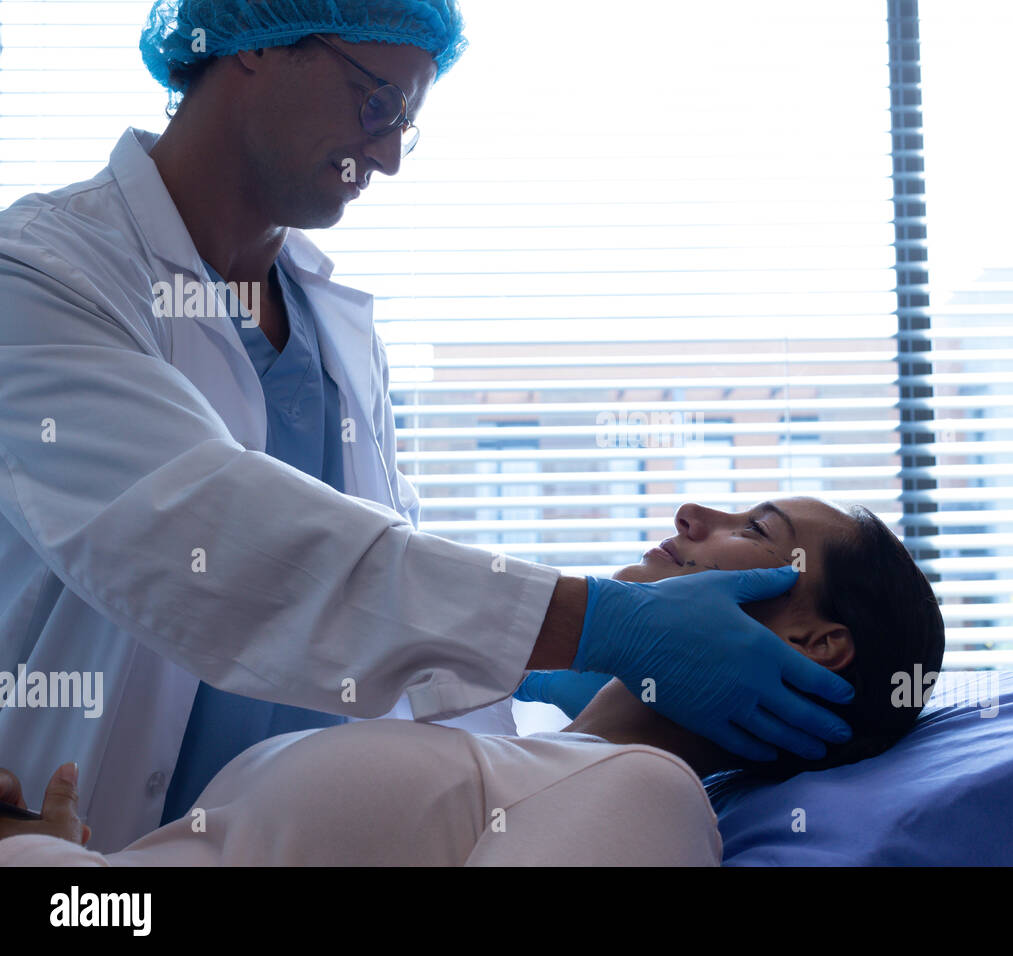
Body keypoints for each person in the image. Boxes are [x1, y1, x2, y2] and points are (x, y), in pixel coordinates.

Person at [0, 1, 854, 854]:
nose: (388, 156)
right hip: (70, 822)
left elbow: (378, 596)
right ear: (257, 49)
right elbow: (210, 534)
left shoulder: (336, 332)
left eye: (406, 123)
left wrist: (553, 679)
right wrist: (601, 621)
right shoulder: (42, 273)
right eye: (377, 103)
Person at [0, 497, 945, 865]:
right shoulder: (527, 746)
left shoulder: (646, 794)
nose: (694, 512)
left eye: (757, 527)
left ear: (816, 645)